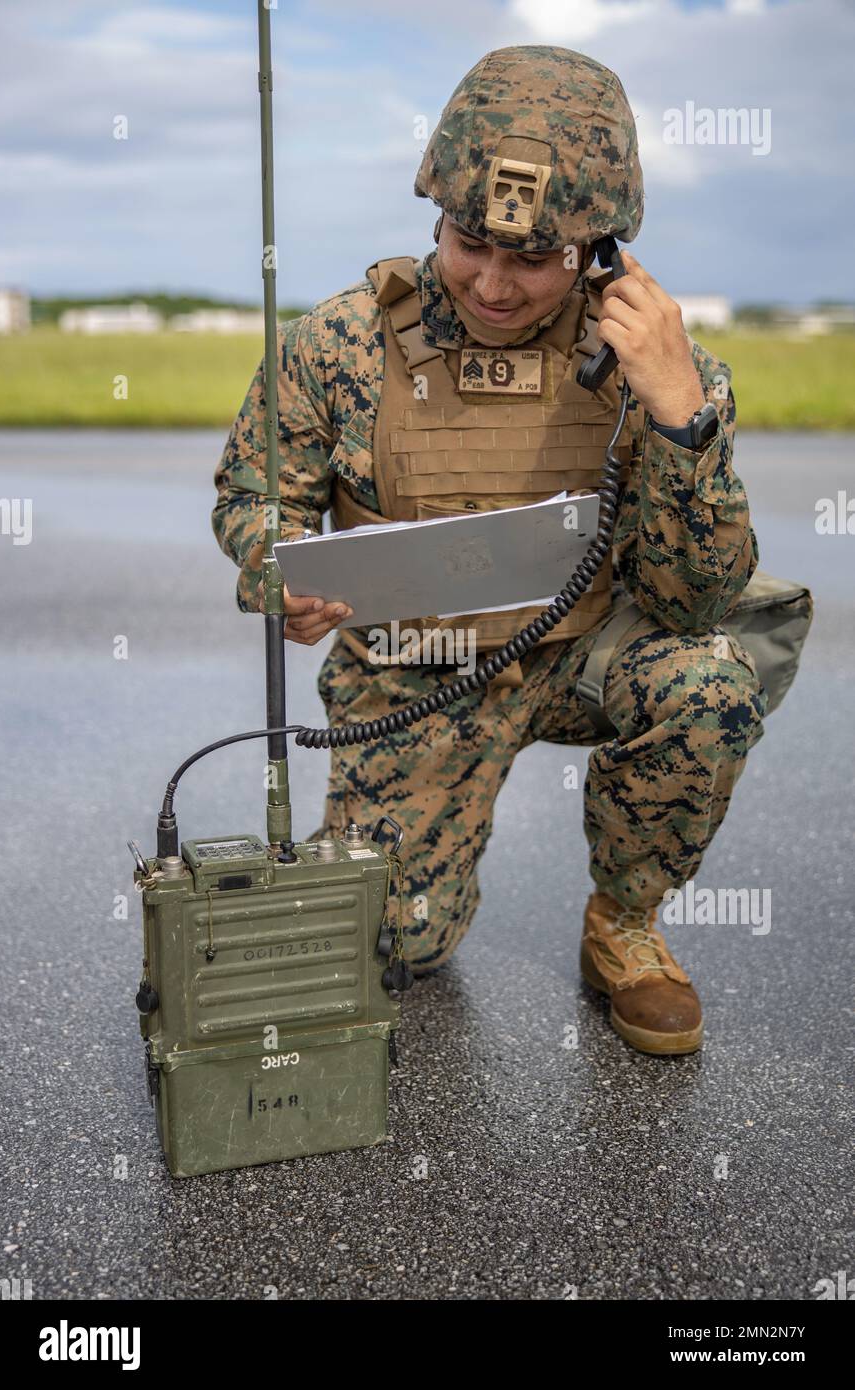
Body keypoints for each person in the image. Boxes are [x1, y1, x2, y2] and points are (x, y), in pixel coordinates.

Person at [212, 46, 766, 1056]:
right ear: (437, 214)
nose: (496, 284)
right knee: (395, 944)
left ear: (595, 250)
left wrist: (679, 415)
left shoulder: (657, 369)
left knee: (708, 680)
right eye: (471, 244)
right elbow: (256, 495)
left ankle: (624, 926)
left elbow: (697, 601)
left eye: (535, 259)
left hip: (582, 653)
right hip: (415, 665)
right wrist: (281, 570)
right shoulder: (338, 343)